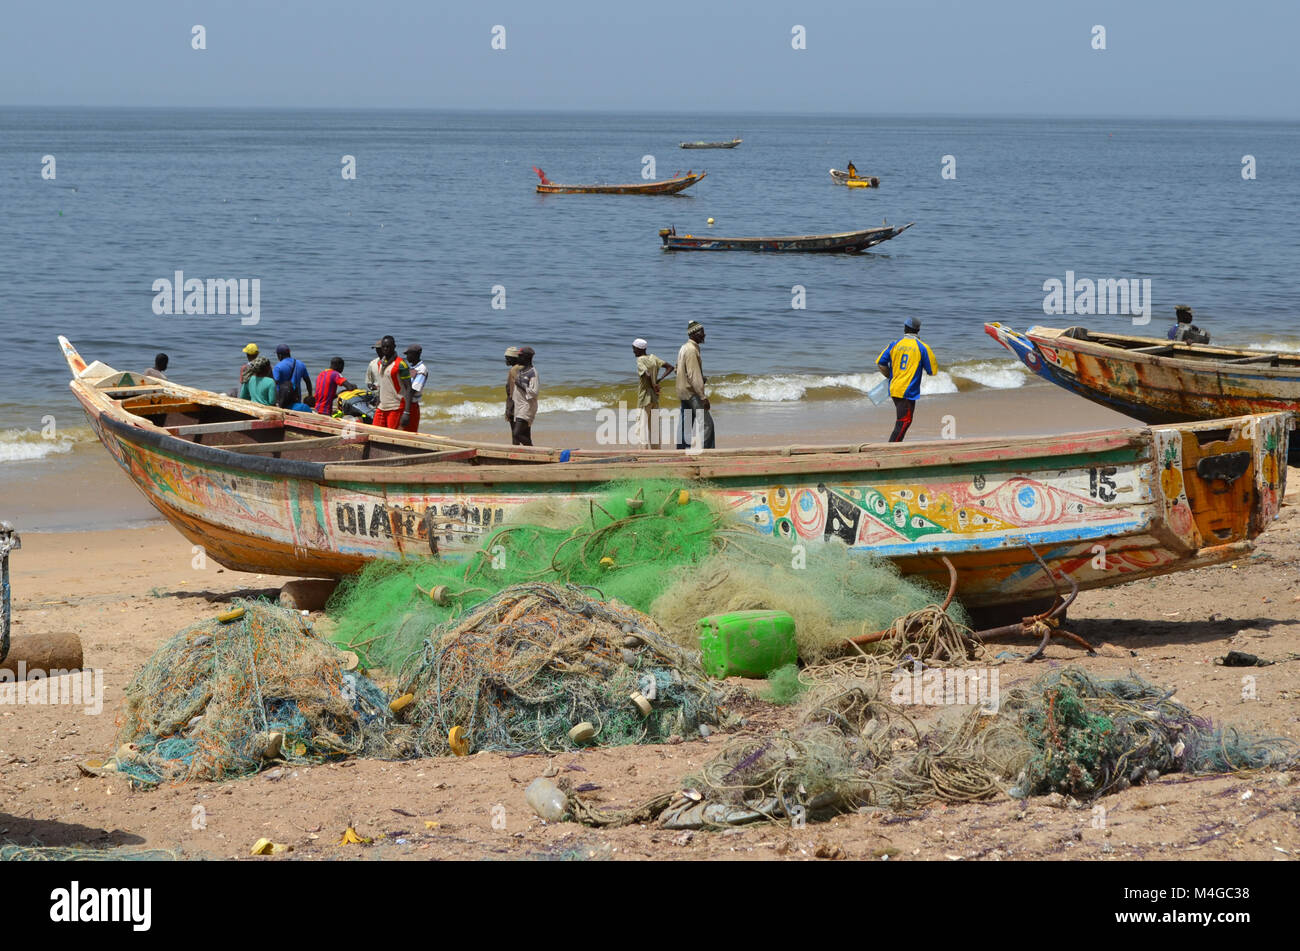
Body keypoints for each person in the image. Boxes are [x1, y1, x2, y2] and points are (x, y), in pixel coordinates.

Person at [877, 316, 937, 443]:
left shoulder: (894, 344)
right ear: (918, 330)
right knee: (904, 421)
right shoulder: (922, 347)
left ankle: (894, 446)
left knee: (903, 420)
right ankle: (890, 449)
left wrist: (891, 377)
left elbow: (880, 363)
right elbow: (932, 371)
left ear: (905, 329)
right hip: (908, 391)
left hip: (894, 388)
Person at [675, 321, 714, 450]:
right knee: (707, 424)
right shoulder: (692, 350)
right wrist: (703, 396)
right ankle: (707, 452)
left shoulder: (684, 347)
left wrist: (700, 378)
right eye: (702, 332)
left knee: (685, 423)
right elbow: (693, 375)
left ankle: (681, 450)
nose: (704, 335)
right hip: (692, 392)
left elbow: (678, 369)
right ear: (694, 334)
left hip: (682, 391)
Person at [633, 337, 674, 450]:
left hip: (644, 397)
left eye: (634, 349)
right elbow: (670, 367)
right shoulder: (653, 358)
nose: (633, 351)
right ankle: (656, 450)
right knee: (654, 426)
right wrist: (659, 380)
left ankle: (643, 451)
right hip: (655, 398)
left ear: (639, 349)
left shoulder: (640, 360)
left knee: (641, 427)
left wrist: (653, 385)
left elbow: (647, 374)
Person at [372, 335, 413, 430]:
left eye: (388, 346)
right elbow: (383, 384)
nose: (386, 349)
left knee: (391, 436)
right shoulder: (380, 364)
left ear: (394, 346)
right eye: (384, 347)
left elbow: (409, 389)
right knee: (375, 432)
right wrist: (378, 399)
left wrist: (407, 412)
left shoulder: (401, 365)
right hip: (382, 406)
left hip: (396, 407)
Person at [510, 346, 539, 446]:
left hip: (527, 406)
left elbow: (534, 392)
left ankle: (532, 449)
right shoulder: (521, 371)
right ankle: (532, 454)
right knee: (525, 435)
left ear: (526, 358)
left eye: (520, 356)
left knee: (516, 434)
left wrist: (521, 385)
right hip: (519, 406)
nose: (518, 358)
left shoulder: (533, 372)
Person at [272, 345, 313, 410]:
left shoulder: (278, 367)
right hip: (296, 397)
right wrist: (310, 395)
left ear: (280, 355)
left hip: (283, 399)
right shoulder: (301, 364)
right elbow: (307, 381)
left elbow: (273, 384)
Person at [403, 344, 428, 433]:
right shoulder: (411, 368)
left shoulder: (422, 369)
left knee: (410, 432)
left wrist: (407, 412)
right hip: (406, 404)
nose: (406, 357)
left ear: (415, 354)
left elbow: (412, 391)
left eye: (408, 354)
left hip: (411, 406)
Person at [503, 346, 521, 440]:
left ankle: (516, 450)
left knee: (515, 433)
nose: (505, 360)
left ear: (512, 358)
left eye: (507, 358)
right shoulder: (520, 368)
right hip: (520, 404)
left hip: (514, 404)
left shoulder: (513, 370)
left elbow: (512, 390)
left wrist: (510, 409)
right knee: (520, 433)